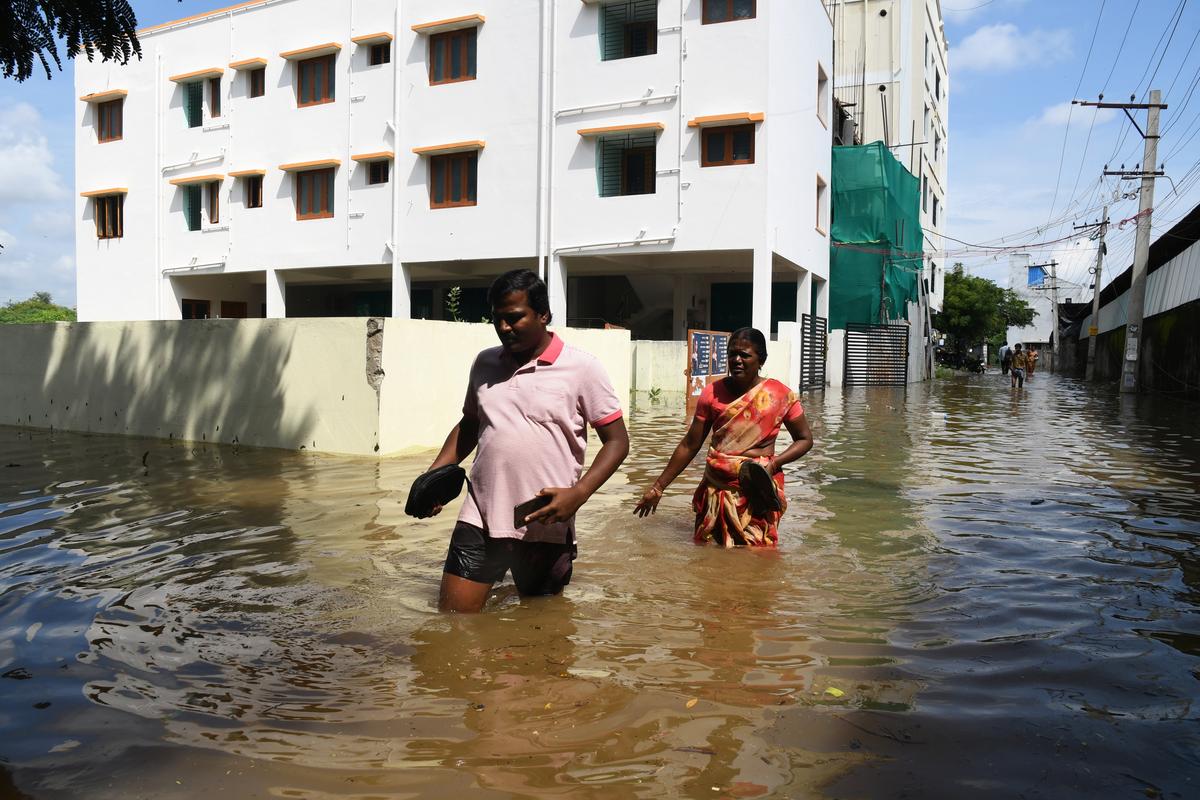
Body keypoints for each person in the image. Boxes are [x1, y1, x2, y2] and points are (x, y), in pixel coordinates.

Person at [422, 269, 630, 613]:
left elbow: (617, 442)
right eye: (497, 319)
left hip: (544, 520)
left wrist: (579, 494)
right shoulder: (485, 363)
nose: (504, 327)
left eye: (514, 317)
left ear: (543, 314)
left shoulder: (583, 368)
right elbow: (470, 424)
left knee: (540, 629)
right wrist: (433, 478)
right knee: (453, 621)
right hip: (481, 514)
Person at [633, 328, 814, 547]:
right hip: (716, 489)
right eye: (731, 354)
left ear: (761, 360)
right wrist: (658, 487)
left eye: (745, 355)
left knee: (758, 554)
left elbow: (805, 439)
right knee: (709, 552)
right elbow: (690, 445)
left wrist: (775, 464)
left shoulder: (779, 394)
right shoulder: (711, 394)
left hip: (756, 490)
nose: (736, 360)